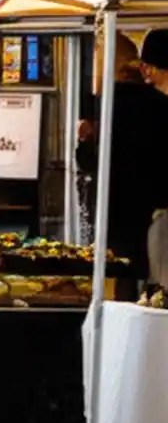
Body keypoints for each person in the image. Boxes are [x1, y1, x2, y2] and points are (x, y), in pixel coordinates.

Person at [76, 31, 168, 297]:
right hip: (152, 207)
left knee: (118, 277)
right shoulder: (161, 105)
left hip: (113, 208)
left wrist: (84, 139)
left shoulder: (100, 107)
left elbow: (88, 161)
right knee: (150, 278)